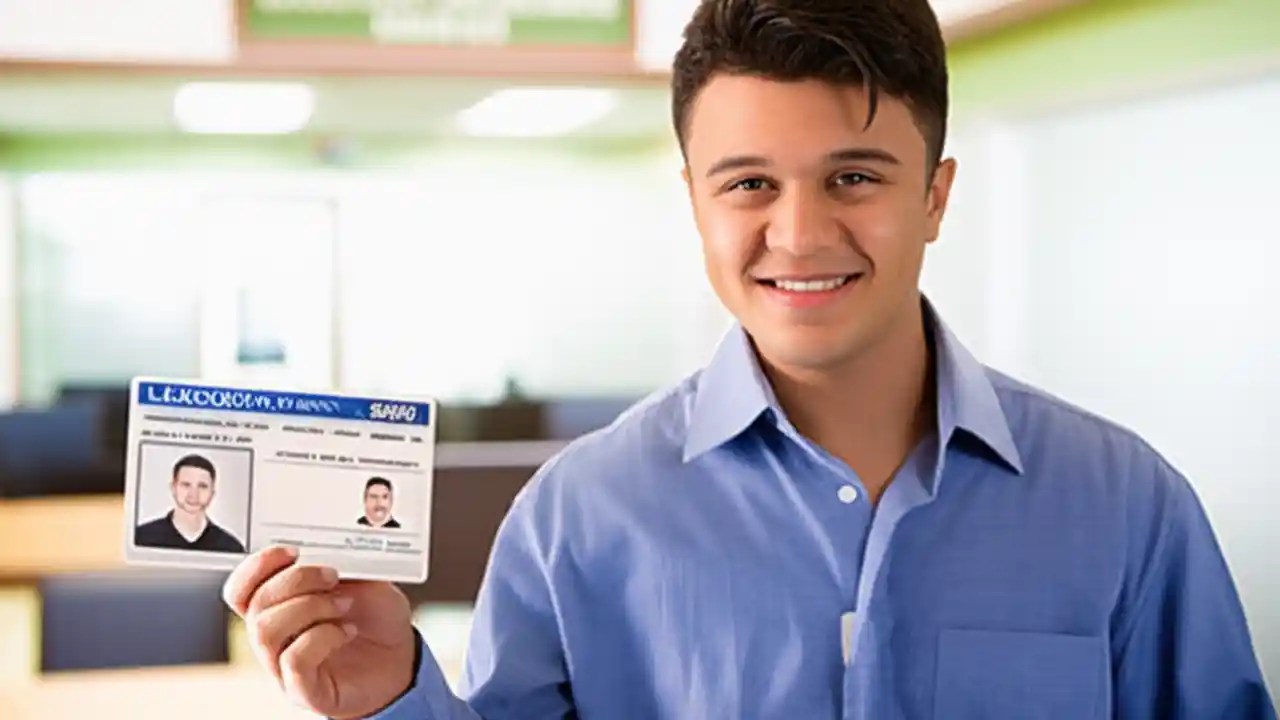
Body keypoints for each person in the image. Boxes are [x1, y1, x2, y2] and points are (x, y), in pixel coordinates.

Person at [221, 1, 1276, 718]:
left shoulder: (1126, 506)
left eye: (854, 177)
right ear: (694, 202)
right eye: (749, 184)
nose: (800, 235)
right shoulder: (575, 520)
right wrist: (393, 697)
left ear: (935, 196)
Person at [136, 453, 245, 554]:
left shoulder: (231, 547)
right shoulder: (142, 538)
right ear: (173, 488)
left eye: (202, 486)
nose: (193, 495)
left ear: (212, 493)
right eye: (186, 485)